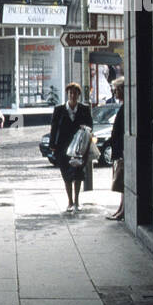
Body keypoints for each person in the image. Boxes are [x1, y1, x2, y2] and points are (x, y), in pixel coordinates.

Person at [49, 82, 94, 212]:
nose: (73, 95)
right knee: (67, 174)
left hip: (79, 148)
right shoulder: (59, 109)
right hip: (63, 148)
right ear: (67, 94)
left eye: (75, 93)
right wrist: (52, 145)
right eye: (70, 93)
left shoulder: (84, 109)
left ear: (79, 95)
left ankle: (77, 201)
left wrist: (85, 130)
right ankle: (70, 201)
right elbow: (54, 128)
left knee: (78, 174)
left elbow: (90, 127)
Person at [107, 78, 126, 221]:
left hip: (123, 151)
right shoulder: (123, 106)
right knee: (121, 183)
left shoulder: (126, 108)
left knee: (123, 182)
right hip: (119, 150)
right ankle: (120, 209)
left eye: (117, 89)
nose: (115, 92)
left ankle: (122, 211)